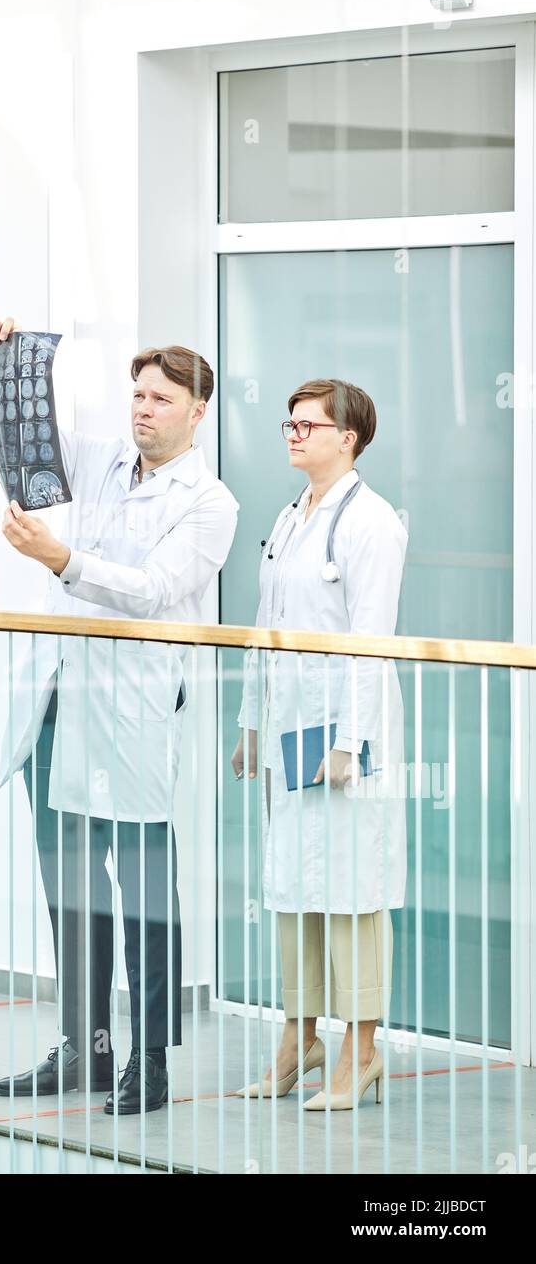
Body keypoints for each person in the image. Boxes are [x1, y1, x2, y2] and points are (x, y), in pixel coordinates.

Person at [0, 316, 238, 1114]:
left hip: (132, 713)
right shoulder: (100, 462)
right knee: (69, 889)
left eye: (161, 398)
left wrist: (63, 561)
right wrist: (5, 359)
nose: (143, 409)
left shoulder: (209, 503)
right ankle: (84, 1049)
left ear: (198, 411)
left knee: (143, 895)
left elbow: (153, 591)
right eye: (137, 395)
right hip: (63, 702)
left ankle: (149, 1061)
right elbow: (27, 439)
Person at [231, 378, 407, 1110]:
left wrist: (350, 742)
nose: (294, 433)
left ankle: (358, 1053)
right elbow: (262, 624)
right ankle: (297, 1041)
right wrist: (248, 722)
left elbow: (371, 639)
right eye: (290, 423)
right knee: (294, 891)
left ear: (350, 438)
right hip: (287, 728)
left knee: (351, 893)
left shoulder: (372, 524)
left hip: (342, 734)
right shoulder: (290, 515)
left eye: (310, 424)